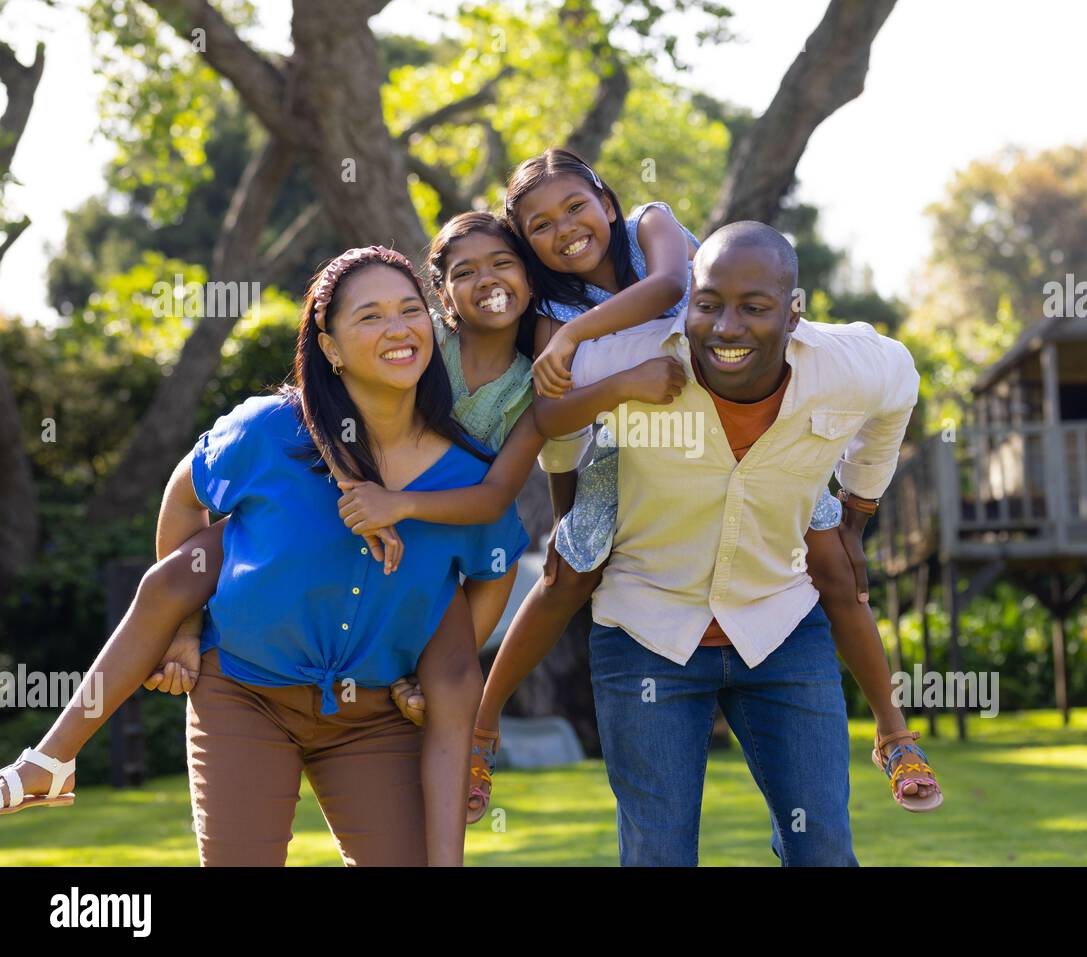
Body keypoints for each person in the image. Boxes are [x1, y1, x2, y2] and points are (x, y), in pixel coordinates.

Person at [0, 246, 528, 867]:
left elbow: (496, 567)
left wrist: (432, 658)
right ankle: (51, 760)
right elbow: (184, 495)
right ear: (329, 346)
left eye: (410, 310)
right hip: (243, 694)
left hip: (375, 716)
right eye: (370, 316)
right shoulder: (269, 432)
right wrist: (185, 633)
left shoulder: (465, 474)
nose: (397, 329)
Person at [542, 221, 927, 865]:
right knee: (658, 853)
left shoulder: (852, 366)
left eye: (755, 307)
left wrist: (857, 511)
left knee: (823, 849)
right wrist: (567, 507)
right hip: (648, 631)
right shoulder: (624, 358)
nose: (727, 327)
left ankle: (896, 737)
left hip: (780, 624)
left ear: (794, 311)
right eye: (710, 302)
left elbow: (902, 388)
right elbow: (553, 413)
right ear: (689, 296)